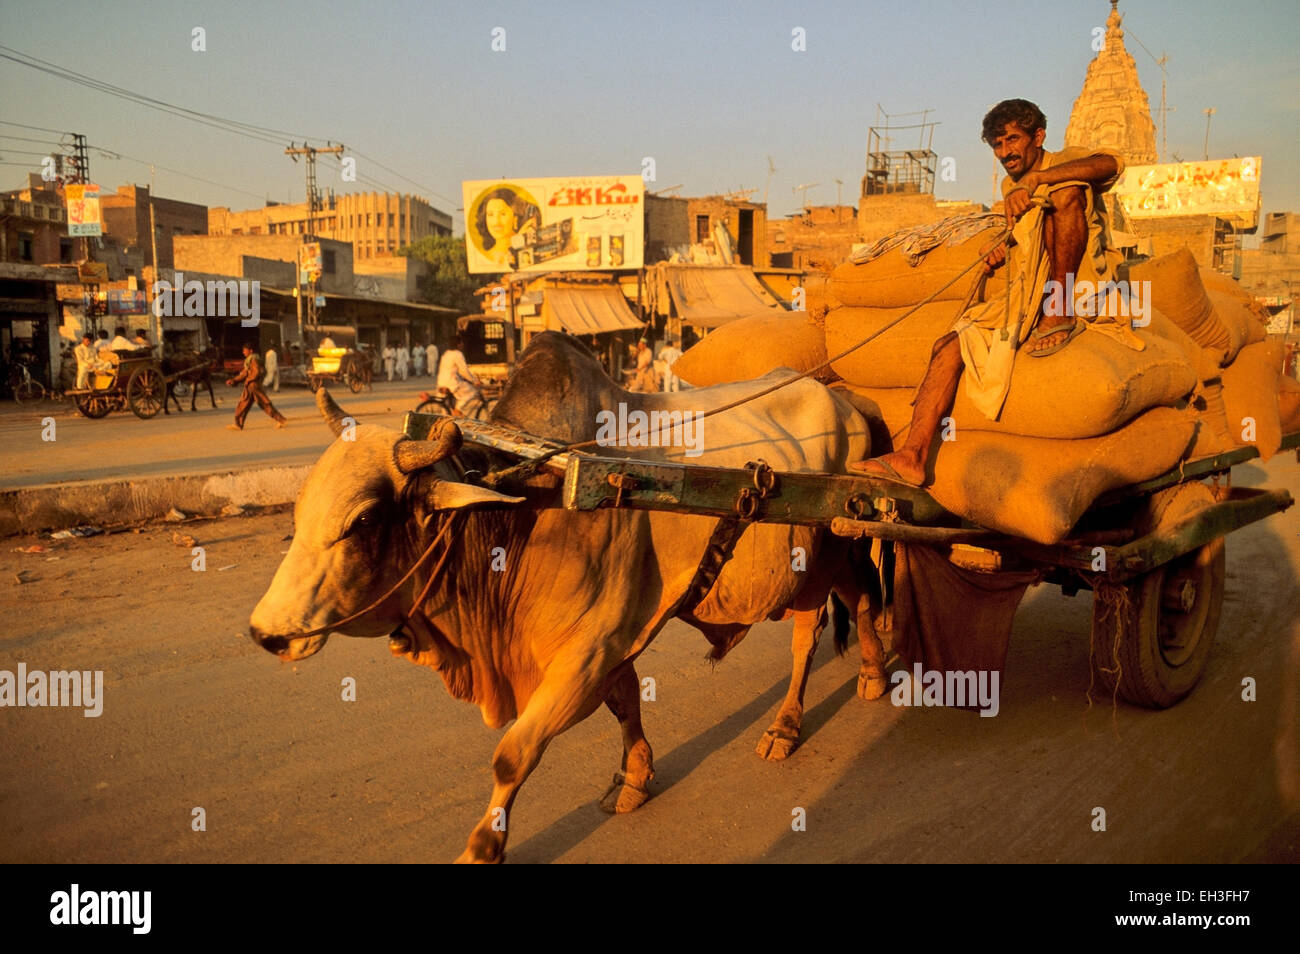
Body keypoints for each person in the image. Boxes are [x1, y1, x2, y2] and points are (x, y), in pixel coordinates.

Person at [853, 98, 1128, 485]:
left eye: (1013, 140)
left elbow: (1112, 163)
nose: (1005, 153)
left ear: (1039, 136)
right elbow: (1028, 236)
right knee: (947, 344)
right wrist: (1005, 245)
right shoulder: (1008, 185)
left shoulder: (1065, 159)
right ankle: (911, 455)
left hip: (1080, 284)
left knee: (1066, 192)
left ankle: (1060, 309)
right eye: (997, 146)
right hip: (1026, 293)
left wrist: (1039, 181)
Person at [473, 187, 541, 269]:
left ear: (515, 217)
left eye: (503, 214)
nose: (496, 222)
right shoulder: (486, 255)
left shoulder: (526, 250)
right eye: (490, 215)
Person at [226, 343, 287, 430]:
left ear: (250, 351)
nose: (243, 352)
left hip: (254, 386)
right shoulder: (249, 360)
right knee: (244, 405)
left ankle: (281, 420)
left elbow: (256, 372)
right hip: (251, 386)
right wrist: (234, 380)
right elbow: (244, 373)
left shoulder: (254, 360)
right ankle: (238, 424)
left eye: (245, 350)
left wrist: (248, 380)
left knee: (264, 405)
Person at [437, 334, 480, 411]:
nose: (462, 344)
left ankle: (452, 416)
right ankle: (458, 410)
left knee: (448, 408)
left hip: (441, 382)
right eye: (461, 342)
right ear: (458, 344)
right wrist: (474, 381)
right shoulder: (458, 354)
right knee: (472, 392)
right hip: (451, 382)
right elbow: (464, 371)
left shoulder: (446, 353)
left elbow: (455, 370)